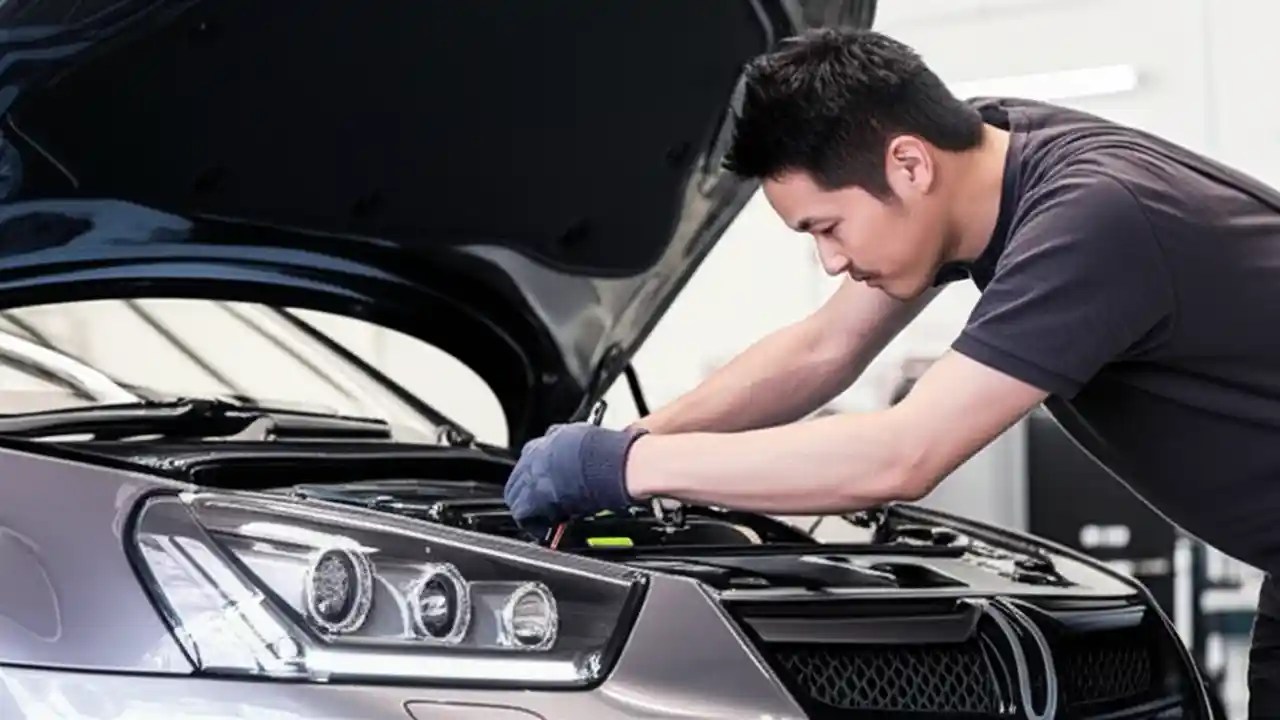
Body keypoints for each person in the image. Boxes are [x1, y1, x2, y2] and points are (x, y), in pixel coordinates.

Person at [502, 27, 1280, 713]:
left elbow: (901, 456)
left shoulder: (1093, 219)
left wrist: (631, 469)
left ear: (908, 165)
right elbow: (823, 350)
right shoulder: (988, 154)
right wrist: (631, 437)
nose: (831, 258)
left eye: (828, 227)